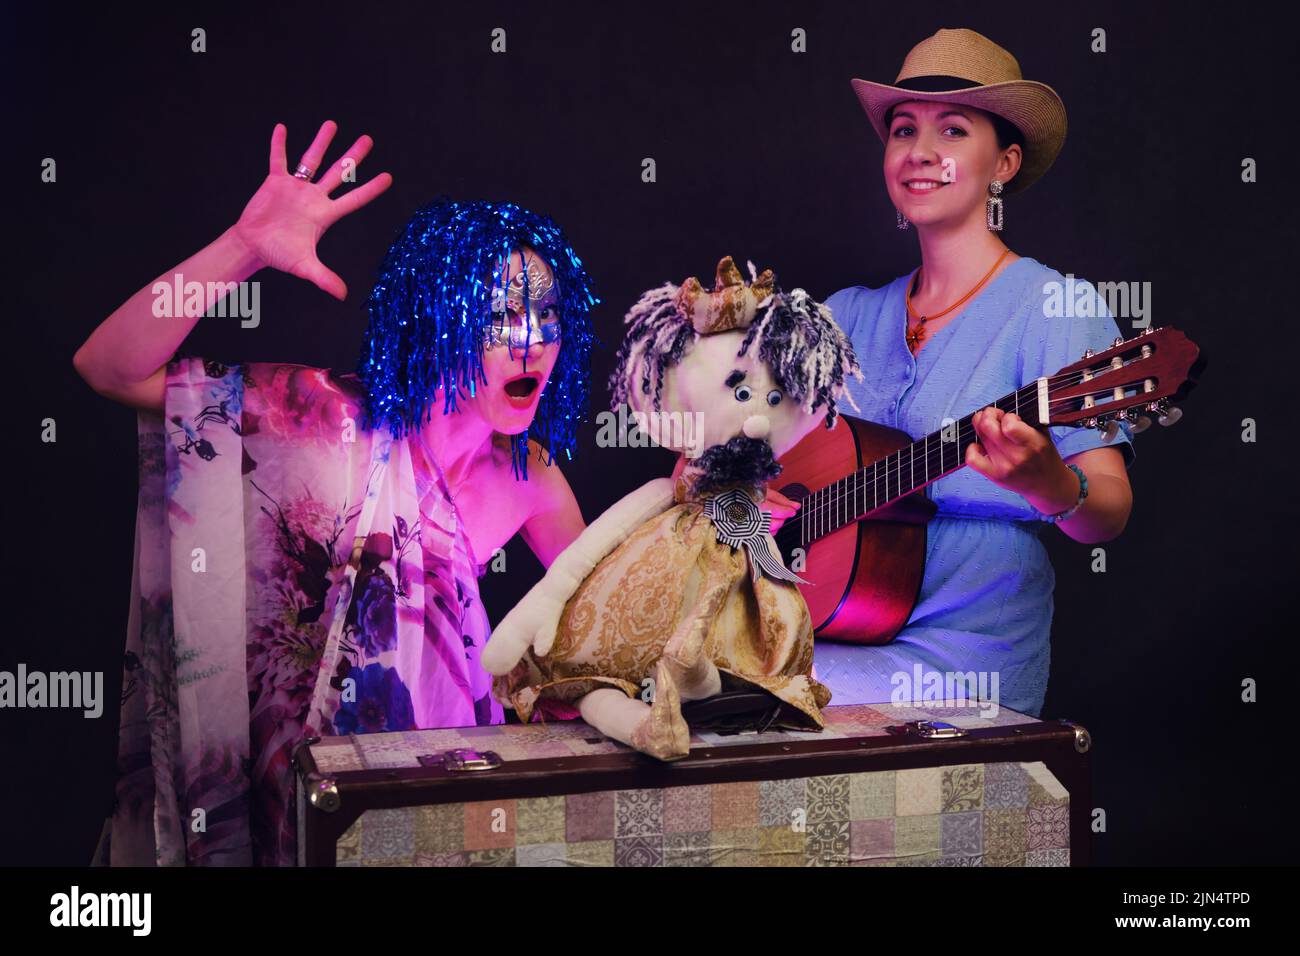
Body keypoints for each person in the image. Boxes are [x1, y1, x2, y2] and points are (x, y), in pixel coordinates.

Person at [74, 121, 597, 865]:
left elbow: (610, 625)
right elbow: (109, 367)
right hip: (279, 798)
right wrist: (243, 247)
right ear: (436, 321)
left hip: (420, 818)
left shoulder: (532, 477)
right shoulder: (323, 420)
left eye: (548, 316)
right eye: (505, 314)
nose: (534, 341)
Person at [805, 29, 1137, 717]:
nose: (921, 153)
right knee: (678, 686)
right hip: (835, 627)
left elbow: (1108, 511)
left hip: (964, 663)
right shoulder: (842, 318)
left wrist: (1054, 486)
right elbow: (768, 468)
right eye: (903, 131)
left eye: (952, 131)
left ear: (1004, 163)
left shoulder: (1054, 305)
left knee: (748, 709)